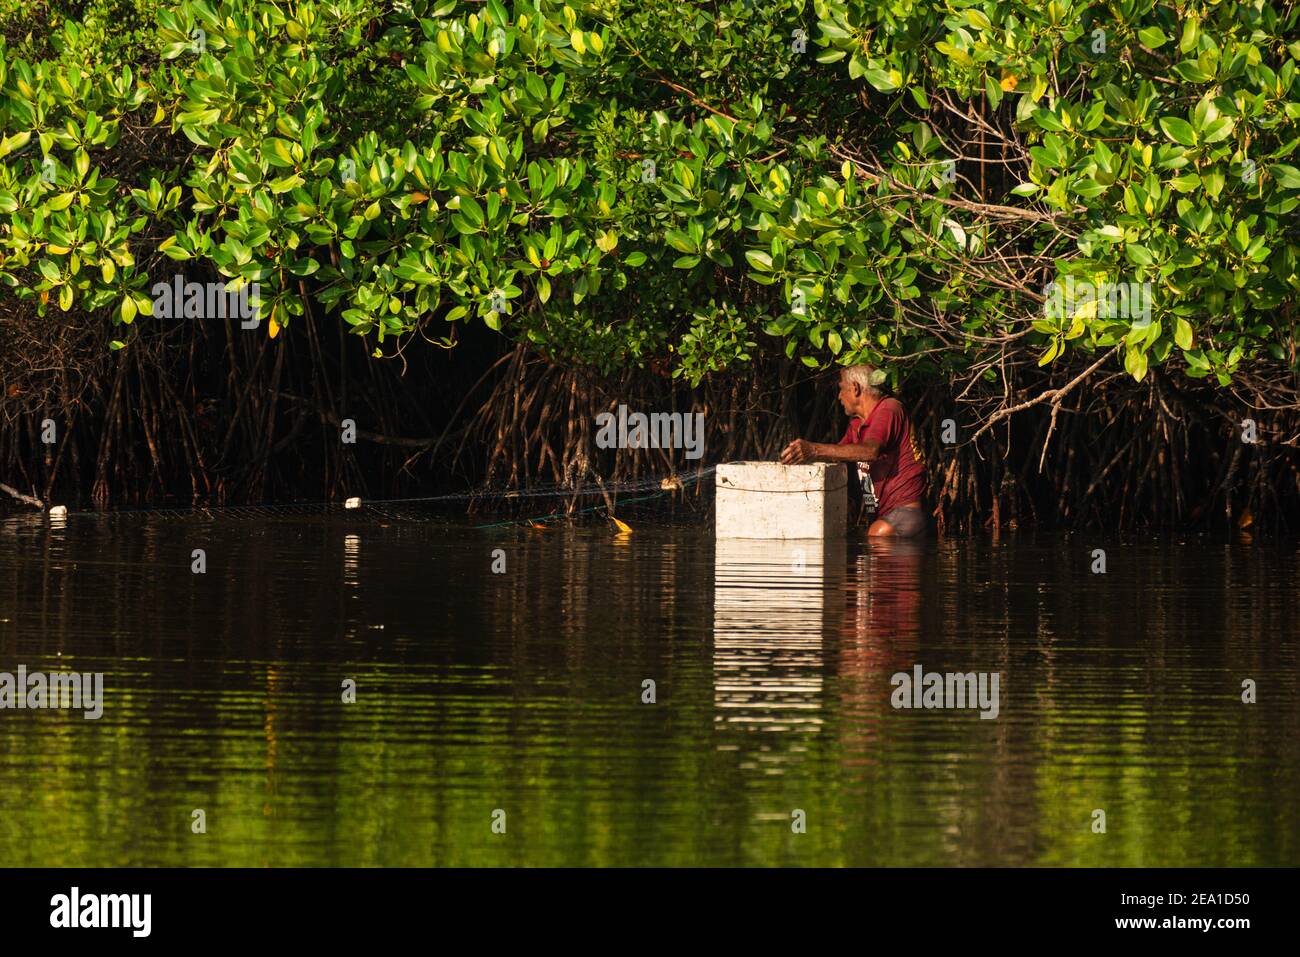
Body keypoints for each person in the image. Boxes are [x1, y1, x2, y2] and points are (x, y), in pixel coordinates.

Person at [779, 365, 928, 537]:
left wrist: (813, 449)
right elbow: (837, 454)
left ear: (855, 388)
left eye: (841, 389)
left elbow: (870, 451)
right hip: (884, 515)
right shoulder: (856, 425)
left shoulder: (889, 408)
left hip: (906, 513)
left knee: (876, 535)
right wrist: (797, 455)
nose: (839, 396)